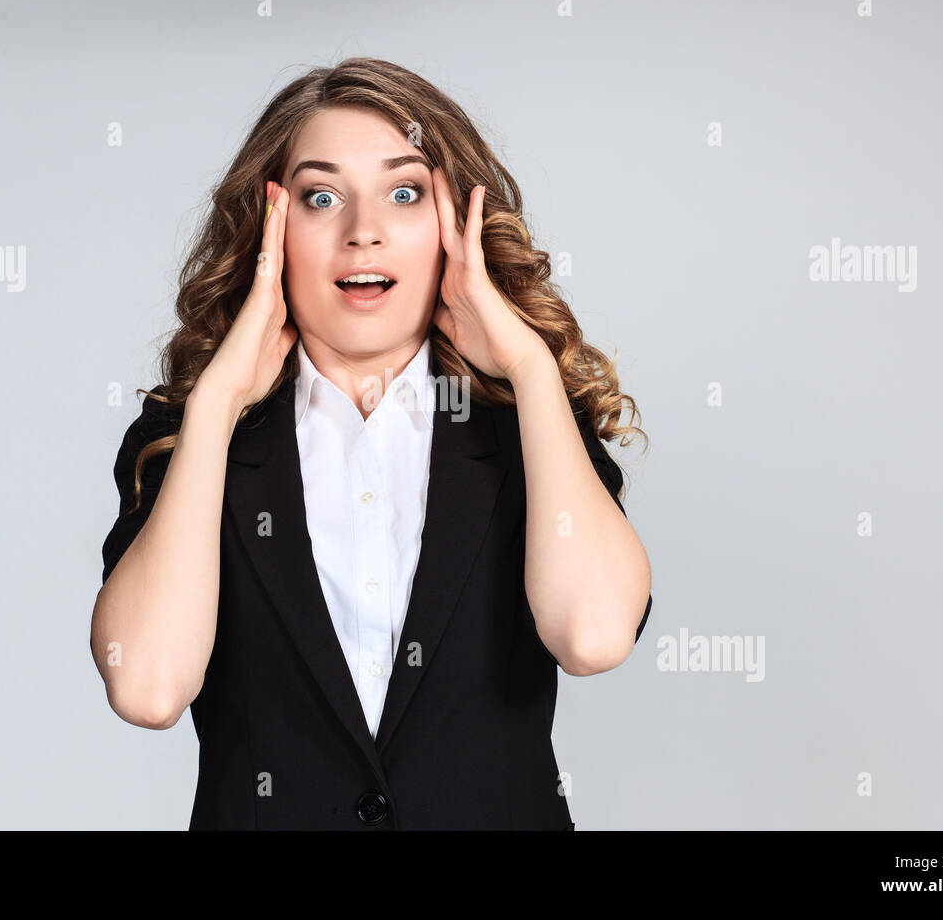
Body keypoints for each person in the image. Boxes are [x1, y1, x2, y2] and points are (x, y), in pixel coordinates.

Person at [91, 57, 653, 829]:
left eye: (405, 192)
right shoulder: (186, 434)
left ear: (455, 228)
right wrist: (217, 403)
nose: (364, 231)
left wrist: (528, 366)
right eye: (322, 198)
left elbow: (592, 636)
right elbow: (148, 688)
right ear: (272, 233)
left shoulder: (529, 421)